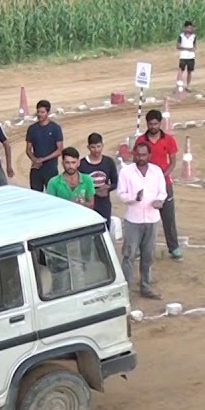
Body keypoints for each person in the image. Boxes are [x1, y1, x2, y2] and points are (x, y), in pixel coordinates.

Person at [116, 141, 167, 299]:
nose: (141, 158)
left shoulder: (156, 171)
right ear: (134, 155)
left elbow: (162, 192)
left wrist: (159, 201)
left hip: (152, 218)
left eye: (144, 155)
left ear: (149, 156)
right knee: (129, 255)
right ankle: (127, 289)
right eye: (138, 155)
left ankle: (146, 286)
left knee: (148, 255)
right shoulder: (126, 172)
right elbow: (121, 194)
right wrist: (134, 198)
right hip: (133, 219)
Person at [134, 109, 182, 260]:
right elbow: (137, 161)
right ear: (146, 124)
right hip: (145, 185)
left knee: (168, 217)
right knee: (142, 217)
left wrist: (162, 176)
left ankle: (173, 247)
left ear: (160, 123)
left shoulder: (168, 139)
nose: (153, 126)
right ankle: (141, 248)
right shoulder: (140, 141)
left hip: (164, 183)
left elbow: (173, 162)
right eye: (150, 124)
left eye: (155, 124)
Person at [78, 132, 119, 221]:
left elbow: (116, 182)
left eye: (98, 146)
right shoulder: (82, 164)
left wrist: (108, 187)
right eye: (93, 147)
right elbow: (78, 185)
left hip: (104, 203)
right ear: (88, 147)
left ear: (102, 146)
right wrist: (94, 192)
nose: (96, 150)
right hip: (88, 203)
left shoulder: (109, 162)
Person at [25, 99, 64, 192]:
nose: (40, 114)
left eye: (42, 112)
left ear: (48, 112)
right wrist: (34, 159)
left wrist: (42, 159)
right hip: (36, 168)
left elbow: (59, 150)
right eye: (38, 112)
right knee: (35, 195)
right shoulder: (32, 129)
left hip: (50, 169)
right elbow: (28, 149)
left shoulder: (55, 128)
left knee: (53, 195)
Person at [177, 21, 197, 90]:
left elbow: (194, 46)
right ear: (185, 28)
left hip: (191, 57)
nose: (189, 30)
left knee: (189, 72)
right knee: (181, 71)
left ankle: (188, 86)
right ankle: (178, 86)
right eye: (188, 28)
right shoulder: (181, 36)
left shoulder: (194, 36)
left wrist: (194, 49)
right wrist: (188, 49)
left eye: (191, 28)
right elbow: (178, 46)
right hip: (183, 56)